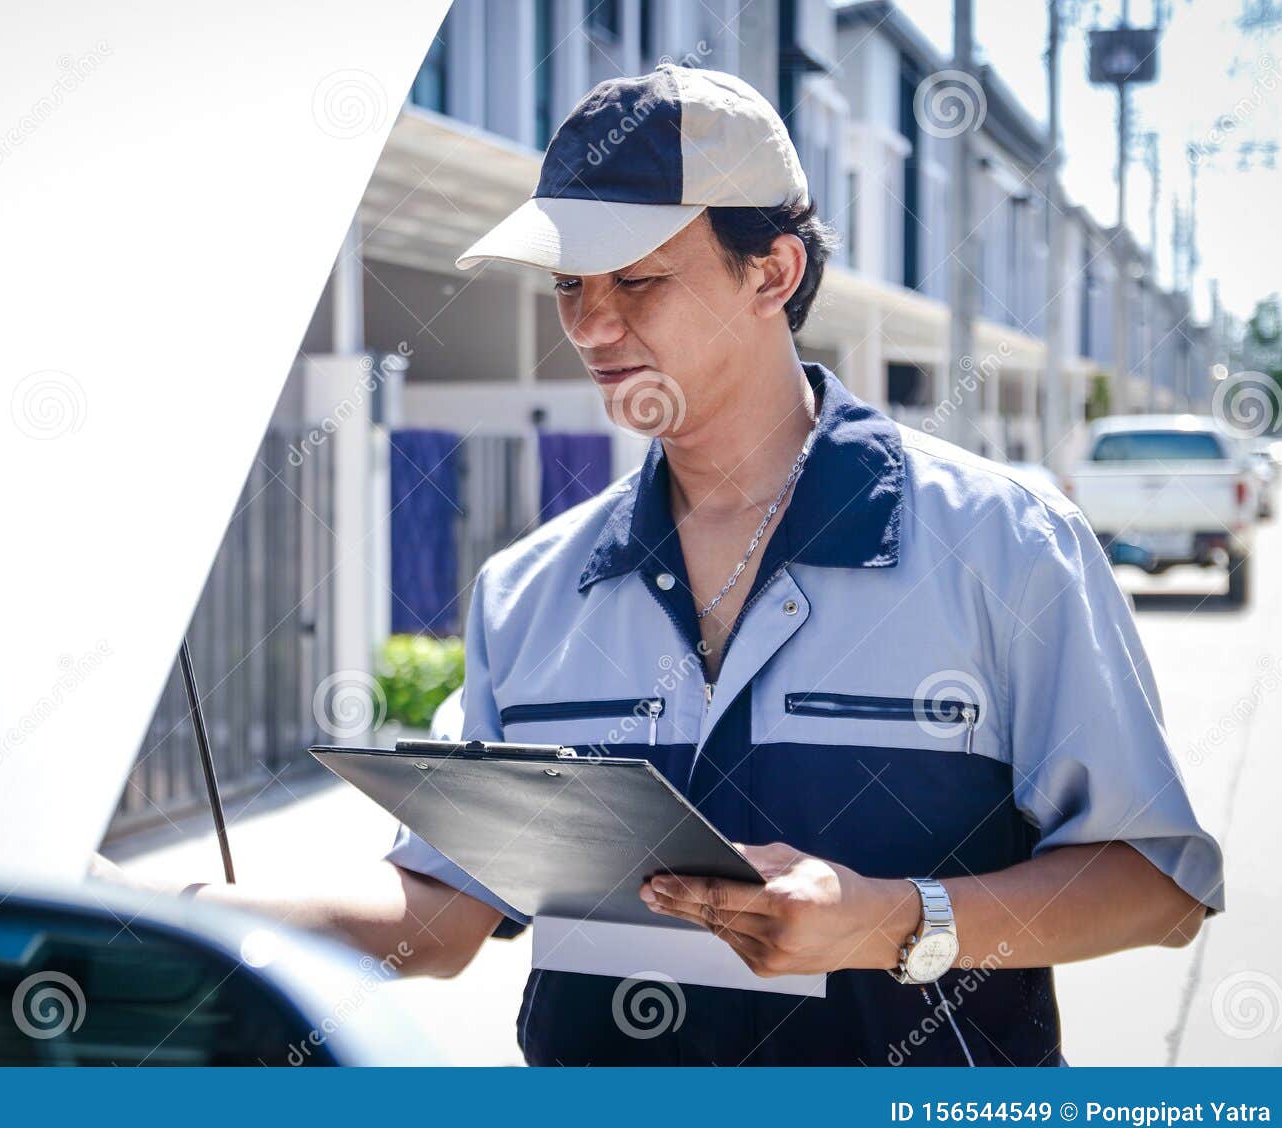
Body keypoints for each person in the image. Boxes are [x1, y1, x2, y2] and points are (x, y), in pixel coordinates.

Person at [95, 64, 1222, 1066]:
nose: (589, 325)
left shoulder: (1003, 543)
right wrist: (154, 907)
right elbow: (435, 912)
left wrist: (895, 917)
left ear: (771, 270)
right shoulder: (529, 591)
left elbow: (1158, 885)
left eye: (632, 278)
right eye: (567, 287)